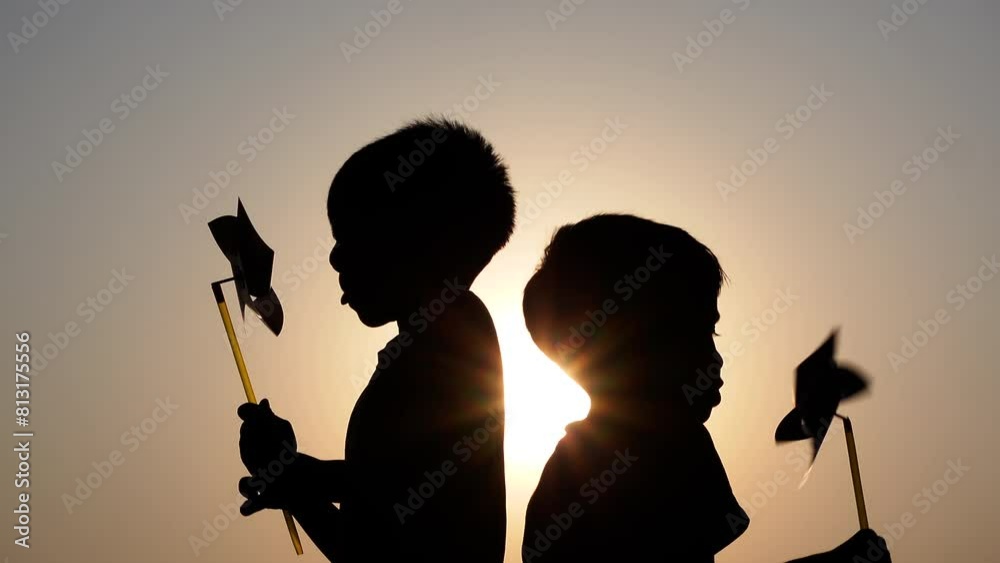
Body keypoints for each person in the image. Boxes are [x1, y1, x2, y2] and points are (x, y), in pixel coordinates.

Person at [520, 214, 891, 563]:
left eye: (712, 332)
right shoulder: (655, 456)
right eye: (697, 332)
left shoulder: (586, 466)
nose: (715, 357)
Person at [235, 118, 514, 563]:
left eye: (352, 234)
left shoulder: (453, 336)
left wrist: (297, 486)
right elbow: (390, 486)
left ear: (421, 237)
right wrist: (296, 475)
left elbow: (380, 546)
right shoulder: (442, 342)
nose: (334, 255)